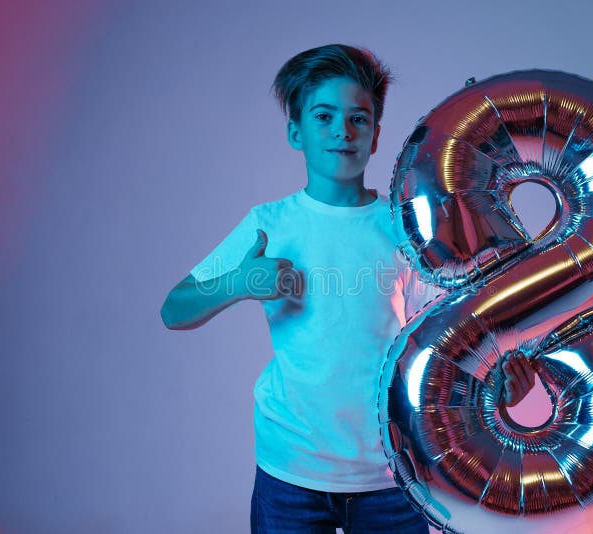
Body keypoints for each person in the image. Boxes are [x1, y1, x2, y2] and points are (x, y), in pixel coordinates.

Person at [160, 44, 536, 534]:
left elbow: (442, 339)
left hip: (391, 471)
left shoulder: (404, 228)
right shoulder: (270, 225)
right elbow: (174, 309)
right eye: (324, 116)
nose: (343, 130)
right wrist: (238, 282)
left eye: (359, 118)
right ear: (296, 132)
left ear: (376, 136)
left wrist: (497, 375)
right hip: (291, 471)